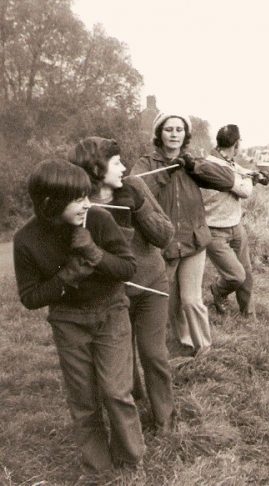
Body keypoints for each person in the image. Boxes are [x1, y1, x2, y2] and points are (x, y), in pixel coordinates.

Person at [13, 160, 144, 472]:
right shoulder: (26, 240)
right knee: (83, 401)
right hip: (68, 321)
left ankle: (130, 461)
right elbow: (30, 297)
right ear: (50, 202)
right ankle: (97, 469)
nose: (87, 203)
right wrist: (67, 276)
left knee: (115, 392)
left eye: (87, 195)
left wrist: (94, 254)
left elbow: (128, 268)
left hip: (111, 312)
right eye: (78, 198)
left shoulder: (98, 219)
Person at [69, 137, 176, 434]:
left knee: (153, 354)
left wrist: (139, 207)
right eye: (116, 163)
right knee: (122, 361)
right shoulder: (79, 202)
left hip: (152, 284)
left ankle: (165, 419)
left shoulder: (135, 186)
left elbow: (165, 236)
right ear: (96, 168)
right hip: (112, 294)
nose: (125, 168)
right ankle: (134, 408)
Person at [131, 112, 238, 357]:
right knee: (166, 298)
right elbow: (136, 190)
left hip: (193, 241)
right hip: (163, 242)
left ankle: (204, 349)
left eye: (179, 130)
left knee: (191, 299)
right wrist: (165, 173)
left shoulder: (192, 161)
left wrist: (193, 166)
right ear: (159, 133)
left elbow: (227, 179)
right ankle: (180, 342)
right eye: (169, 129)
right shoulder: (147, 163)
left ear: (185, 134)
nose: (174, 134)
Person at [204, 124, 269, 317]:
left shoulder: (226, 160)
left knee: (246, 273)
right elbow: (245, 191)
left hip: (235, 225)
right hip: (215, 231)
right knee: (236, 275)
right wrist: (252, 180)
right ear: (236, 144)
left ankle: (248, 315)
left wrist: (256, 175)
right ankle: (217, 290)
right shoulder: (213, 165)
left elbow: (240, 171)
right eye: (239, 142)